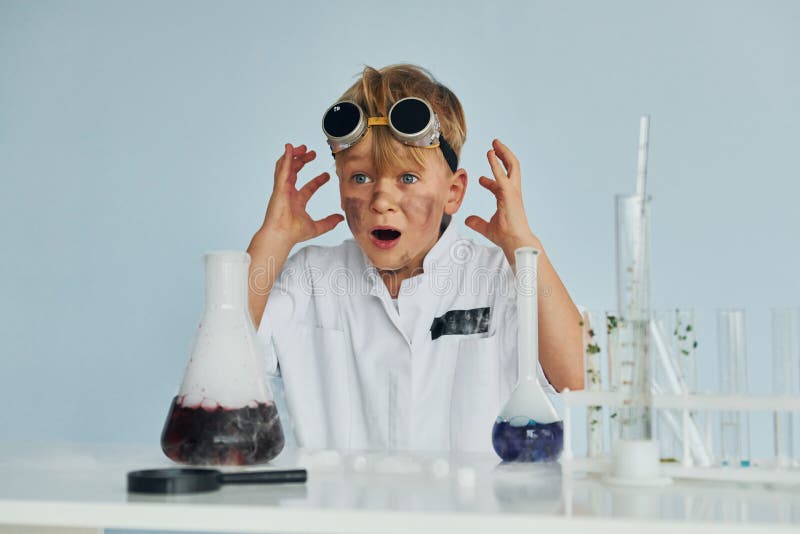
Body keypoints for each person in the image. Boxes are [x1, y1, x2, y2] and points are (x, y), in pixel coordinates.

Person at [247, 64, 583, 453]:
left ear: (453, 193)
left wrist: (523, 247)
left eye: (407, 178)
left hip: (470, 511)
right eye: (360, 177)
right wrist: (272, 239)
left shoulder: (498, 276)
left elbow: (576, 378)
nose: (381, 201)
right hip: (340, 509)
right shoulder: (310, 277)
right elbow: (221, 362)